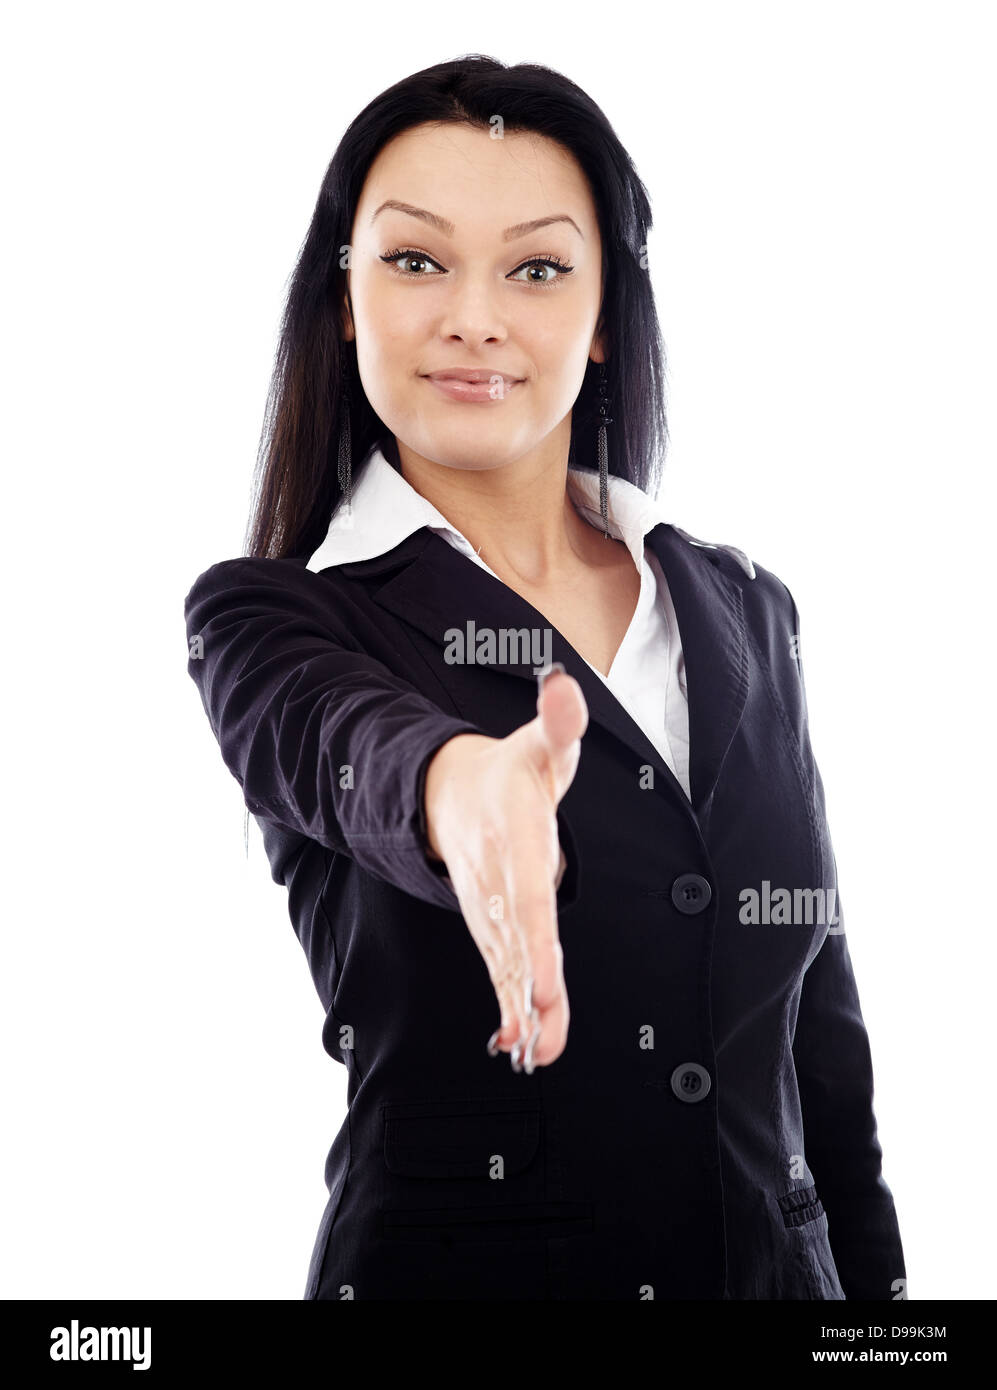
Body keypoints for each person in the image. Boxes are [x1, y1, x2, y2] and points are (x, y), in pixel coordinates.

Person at [183, 54, 906, 1301]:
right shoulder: (270, 618)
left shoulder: (744, 608)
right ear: (345, 298)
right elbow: (347, 745)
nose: (474, 316)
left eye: (536, 267)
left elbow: (817, 1034)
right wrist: (462, 791)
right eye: (415, 261)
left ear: (606, 316)